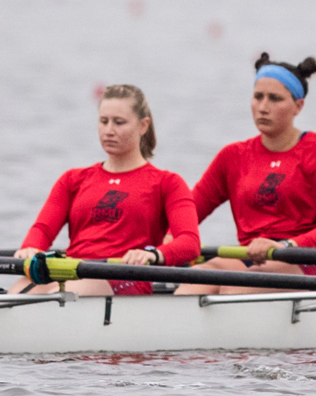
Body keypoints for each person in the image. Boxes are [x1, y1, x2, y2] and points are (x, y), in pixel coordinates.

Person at [176, 54, 316, 295]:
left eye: (275, 99)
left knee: (235, 289)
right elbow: (187, 214)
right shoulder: (232, 156)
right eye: (258, 97)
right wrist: (168, 238)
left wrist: (285, 246)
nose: (263, 107)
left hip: (308, 261)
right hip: (253, 258)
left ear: (298, 106)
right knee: (196, 280)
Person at [13, 84, 200, 296]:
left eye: (119, 122)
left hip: (126, 277)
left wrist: (153, 254)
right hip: (74, 271)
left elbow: (190, 243)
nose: (109, 131)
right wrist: (30, 248)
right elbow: (43, 230)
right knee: (17, 291)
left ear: (143, 126)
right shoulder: (72, 180)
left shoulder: (168, 183)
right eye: (104, 121)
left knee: (61, 295)